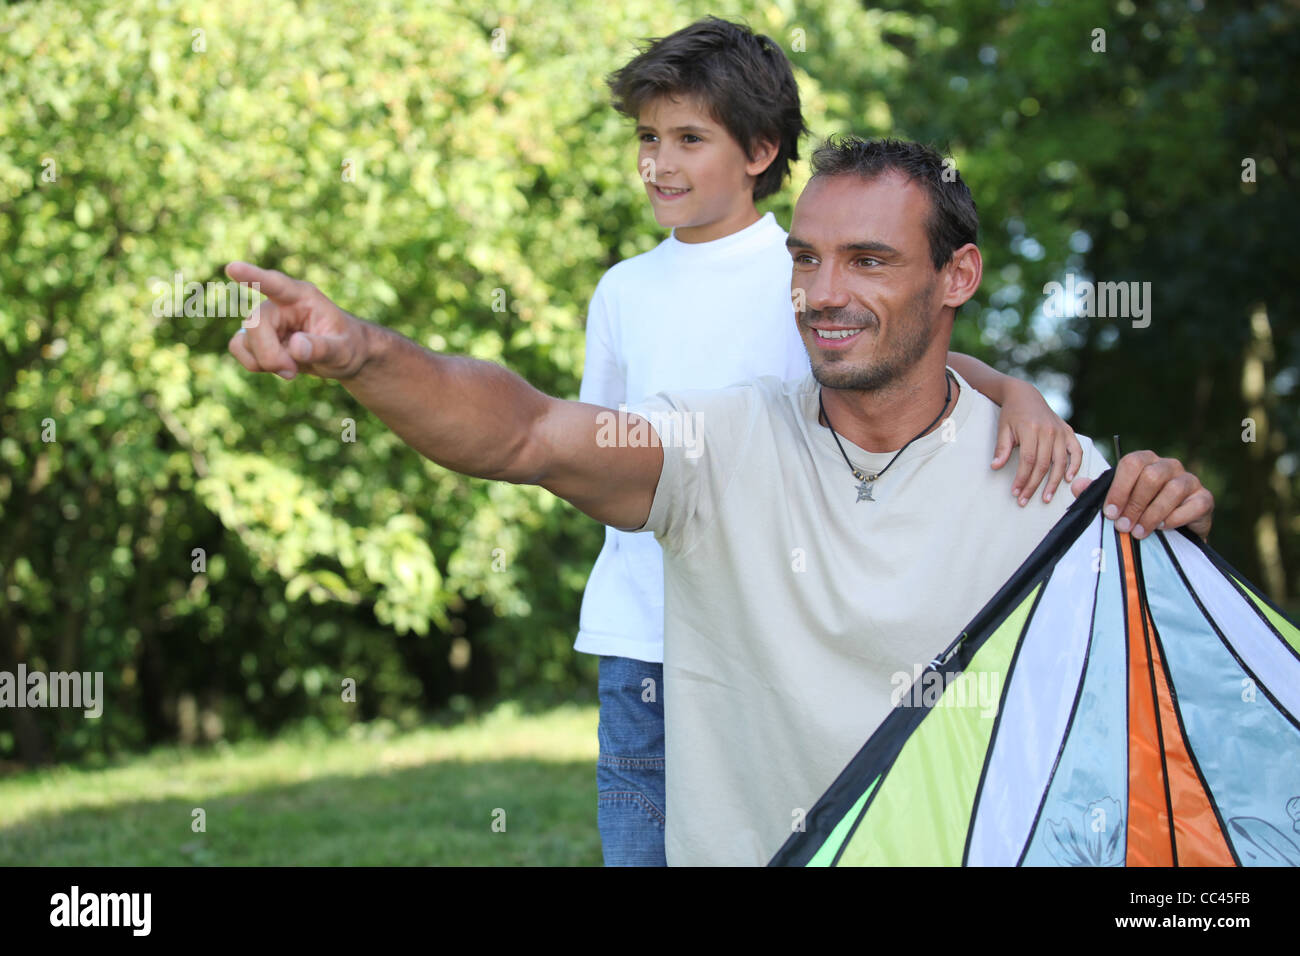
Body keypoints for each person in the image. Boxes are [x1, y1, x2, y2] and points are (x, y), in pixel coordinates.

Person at [224, 135, 1213, 866]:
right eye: (806, 256)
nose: (823, 291)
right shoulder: (719, 441)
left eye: (868, 260)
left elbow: (1180, 701)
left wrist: (1181, 524)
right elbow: (527, 431)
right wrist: (364, 354)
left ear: (956, 276)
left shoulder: (1052, 474)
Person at [576, 17, 1083, 865]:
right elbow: (593, 440)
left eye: (688, 138)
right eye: (647, 138)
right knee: (641, 833)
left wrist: (1018, 394)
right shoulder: (622, 290)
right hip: (638, 635)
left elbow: (923, 359)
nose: (658, 162)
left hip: (759, 632)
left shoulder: (806, 268)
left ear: (759, 150)